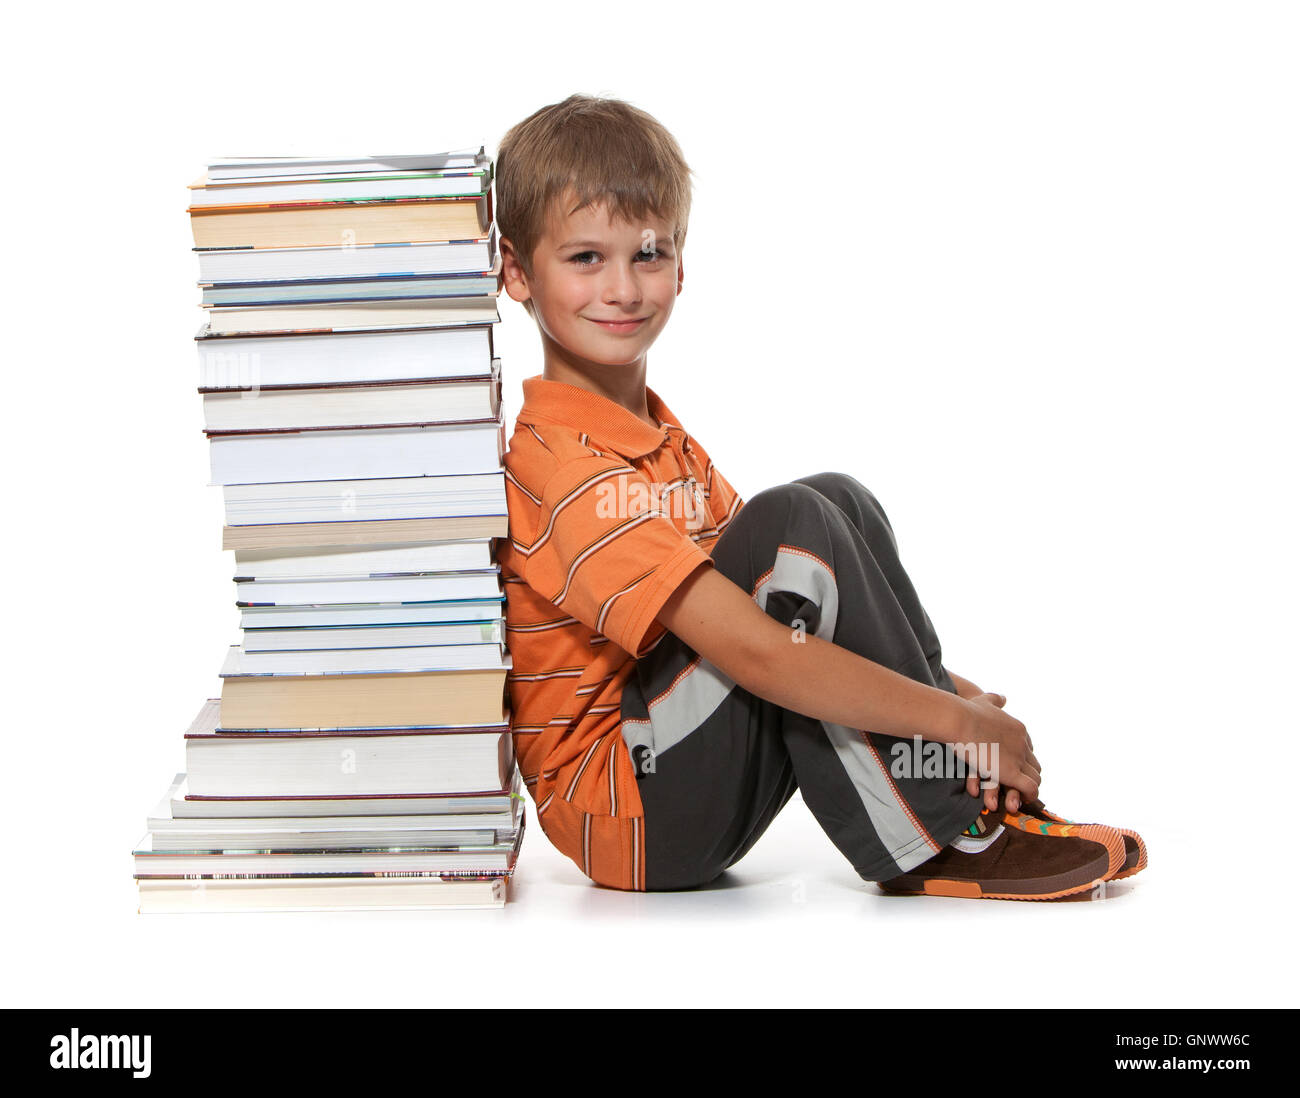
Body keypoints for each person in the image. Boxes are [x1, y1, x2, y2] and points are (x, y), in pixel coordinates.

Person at [493, 93, 1146, 899]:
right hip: (635, 807)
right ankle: (939, 839)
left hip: (671, 761)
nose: (623, 288)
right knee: (794, 526)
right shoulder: (566, 468)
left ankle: (961, 800)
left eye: (649, 254)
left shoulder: (656, 437)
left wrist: (949, 691)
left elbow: (788, 603)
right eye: (586, 258)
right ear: (517, 272)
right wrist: (954, 722)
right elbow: (758, 647)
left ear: (683, 264)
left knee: (833, 501)